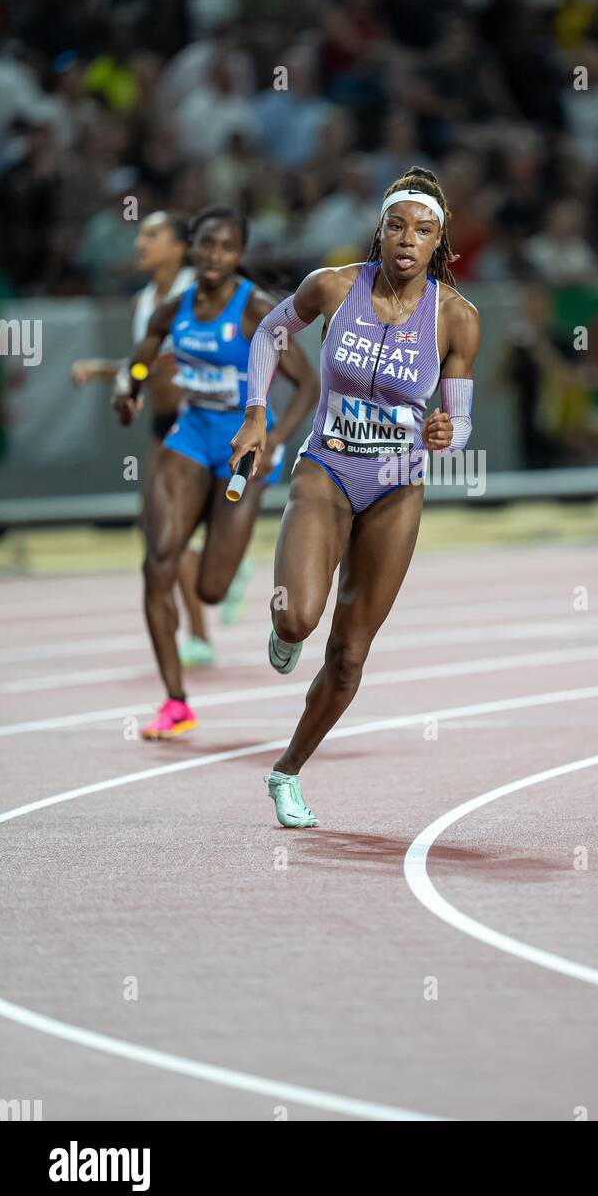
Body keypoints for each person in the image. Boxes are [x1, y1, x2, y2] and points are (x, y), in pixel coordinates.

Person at [230, 167, 480, 827]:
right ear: (381, 229)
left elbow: (460, 425)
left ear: (438, 242)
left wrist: (445, 432)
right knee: (297, 622)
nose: (407, 239)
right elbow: (268, 334)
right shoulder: (334, 286)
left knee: (348, 657)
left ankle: (286, 772)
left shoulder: (457, 319)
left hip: (397, 487)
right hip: (327, 469)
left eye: (422, 231)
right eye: (397, 225)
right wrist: (256, 413)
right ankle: (283, 622)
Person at [117, 204, 318, 738]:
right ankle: (176, 702)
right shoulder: (176, 306)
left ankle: (230, 560)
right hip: (189, 437)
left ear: (239, 255)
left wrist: (274, 437)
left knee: (209, 590)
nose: (214, 257)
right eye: (206, 246)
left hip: (242, 450)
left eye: (226, 248)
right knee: (157, 563)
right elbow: (145, 352)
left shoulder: (254, 311)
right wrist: (130, 385)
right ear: (192, 248)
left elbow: (308, 384)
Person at [72, 209, 213, 666]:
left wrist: (128, 376)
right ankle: (194, 634)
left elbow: (177, 360)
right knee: (156, 530)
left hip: (203, 421)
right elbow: (145, 362)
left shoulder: (200, 289)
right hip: (163, 425)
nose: (139, 244)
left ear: (179, 246)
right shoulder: (144, 301)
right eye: (139, 235)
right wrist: (112, 374)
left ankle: (207, 607)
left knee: (170, 532)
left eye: (151, 235)